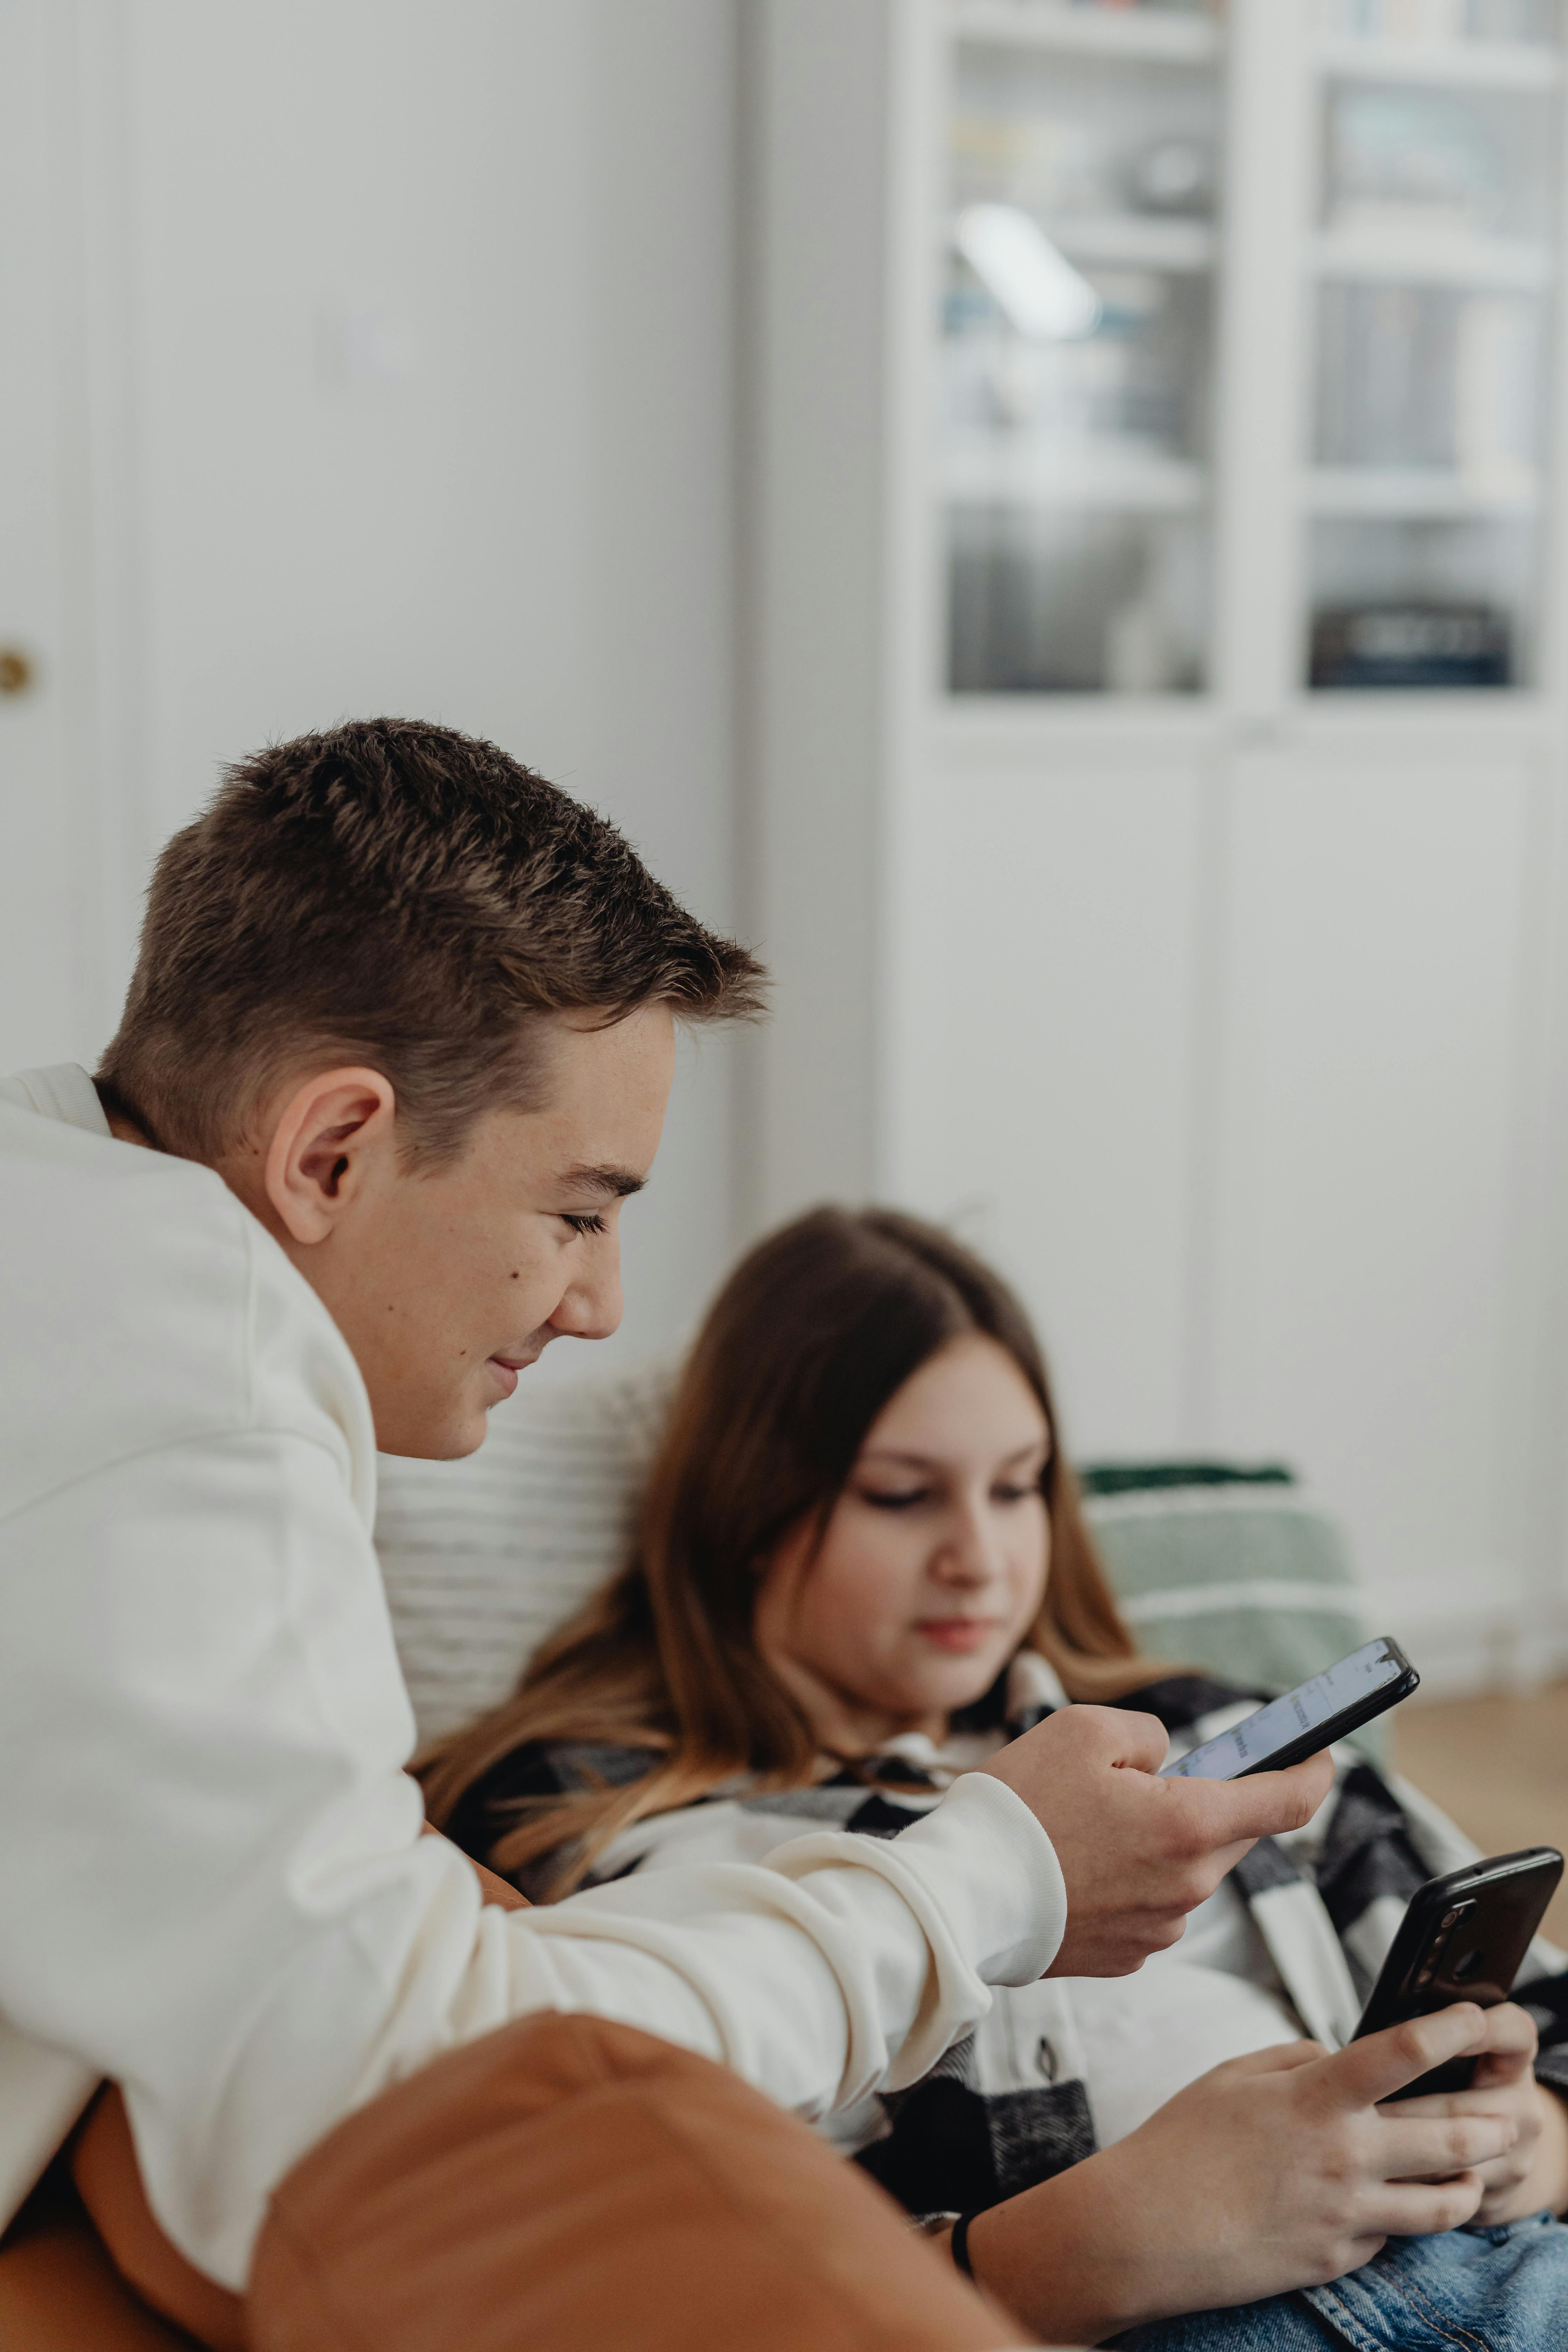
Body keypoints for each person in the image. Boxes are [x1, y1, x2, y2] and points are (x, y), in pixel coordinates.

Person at [0, 719, 1332, 2352]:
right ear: (330, 1151)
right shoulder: (200, 1404)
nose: (601, 1304)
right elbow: (430, 2098)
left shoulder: (60, 1220)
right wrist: (986, 1879)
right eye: (578, 1212)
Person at [425, 1203, 1568, 2351]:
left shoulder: (1223, 1733)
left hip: (1500, 2267)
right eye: (902, 1495)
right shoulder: (591, 1822)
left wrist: (1519, 2140)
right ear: (748, 1505)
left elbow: (1553, 2035)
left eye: (1017, 1488)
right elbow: (624, 2282)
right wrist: (1087, 2245)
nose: (979, 1559)